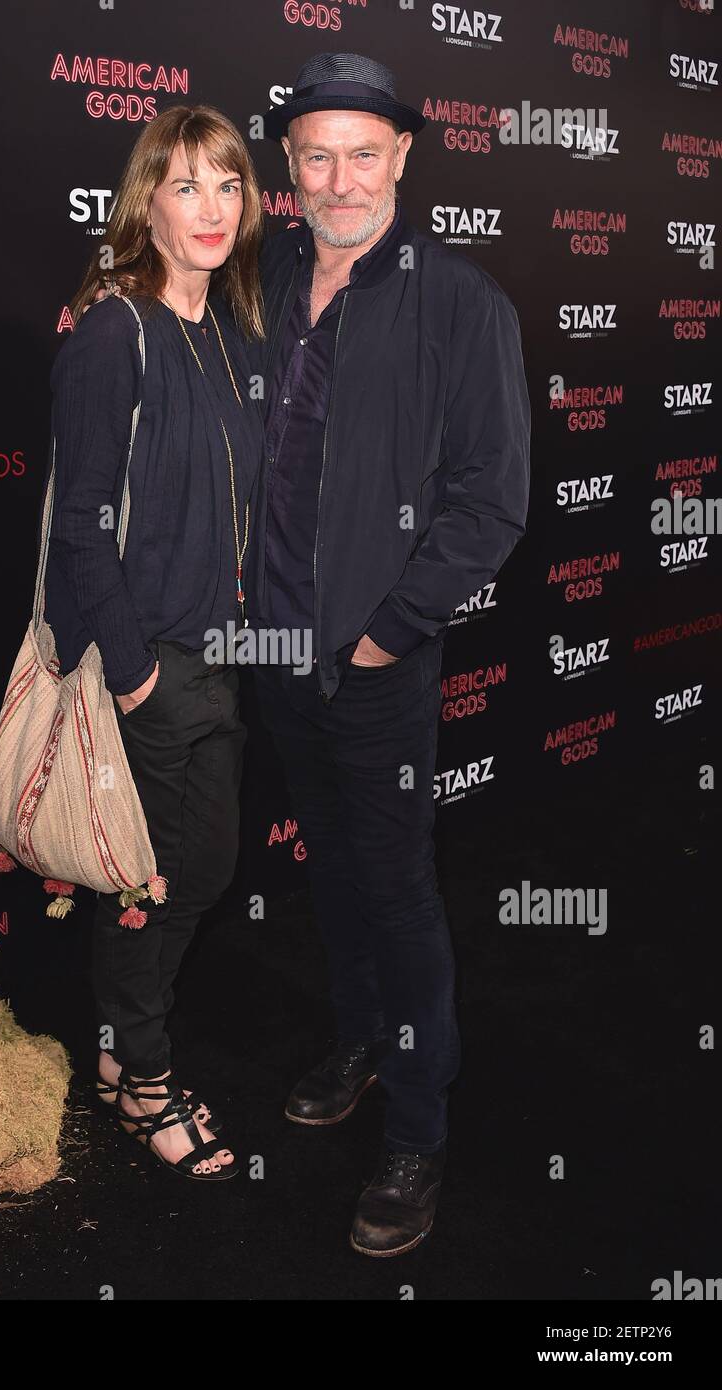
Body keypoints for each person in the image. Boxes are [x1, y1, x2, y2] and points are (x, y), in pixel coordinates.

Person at [249, 53, 531, 1250]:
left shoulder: (460, 303)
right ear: (288, 169)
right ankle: (362, 1037)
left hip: (372, 660)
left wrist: (387, 635)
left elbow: (492, 499)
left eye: (363, 152)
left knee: (401, 892)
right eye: (315, 153)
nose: (339, 176)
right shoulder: (253, 278)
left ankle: (417, 1124)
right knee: (332, 870)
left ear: (404, 158)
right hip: (266, 646)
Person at [44, 105, 266, 1180]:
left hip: (223, 661)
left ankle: (114, 1039)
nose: (211, 208)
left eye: (227, 185)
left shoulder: (228, 334)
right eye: (187, 186)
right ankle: (143, 1078)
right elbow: (80, 520)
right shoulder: (112, 330)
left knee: (205, 870)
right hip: (150, 669)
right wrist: (133, 675)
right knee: (152, 882)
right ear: (147, 204)